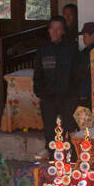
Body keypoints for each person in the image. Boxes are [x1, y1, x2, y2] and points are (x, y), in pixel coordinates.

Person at [33, 16, 78, 153]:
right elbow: (38, 75)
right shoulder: (42, 50)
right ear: (48, 30)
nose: (55, 32)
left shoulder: (71, 49)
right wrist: (40, 93)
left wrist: (72, 93)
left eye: (59, 29)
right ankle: (53, 161)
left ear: (63, 31)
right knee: (50, 132)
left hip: (67, 97)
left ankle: (70, 161)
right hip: (48, 98)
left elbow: (76, 75)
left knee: (69, 130)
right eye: (52, 29)